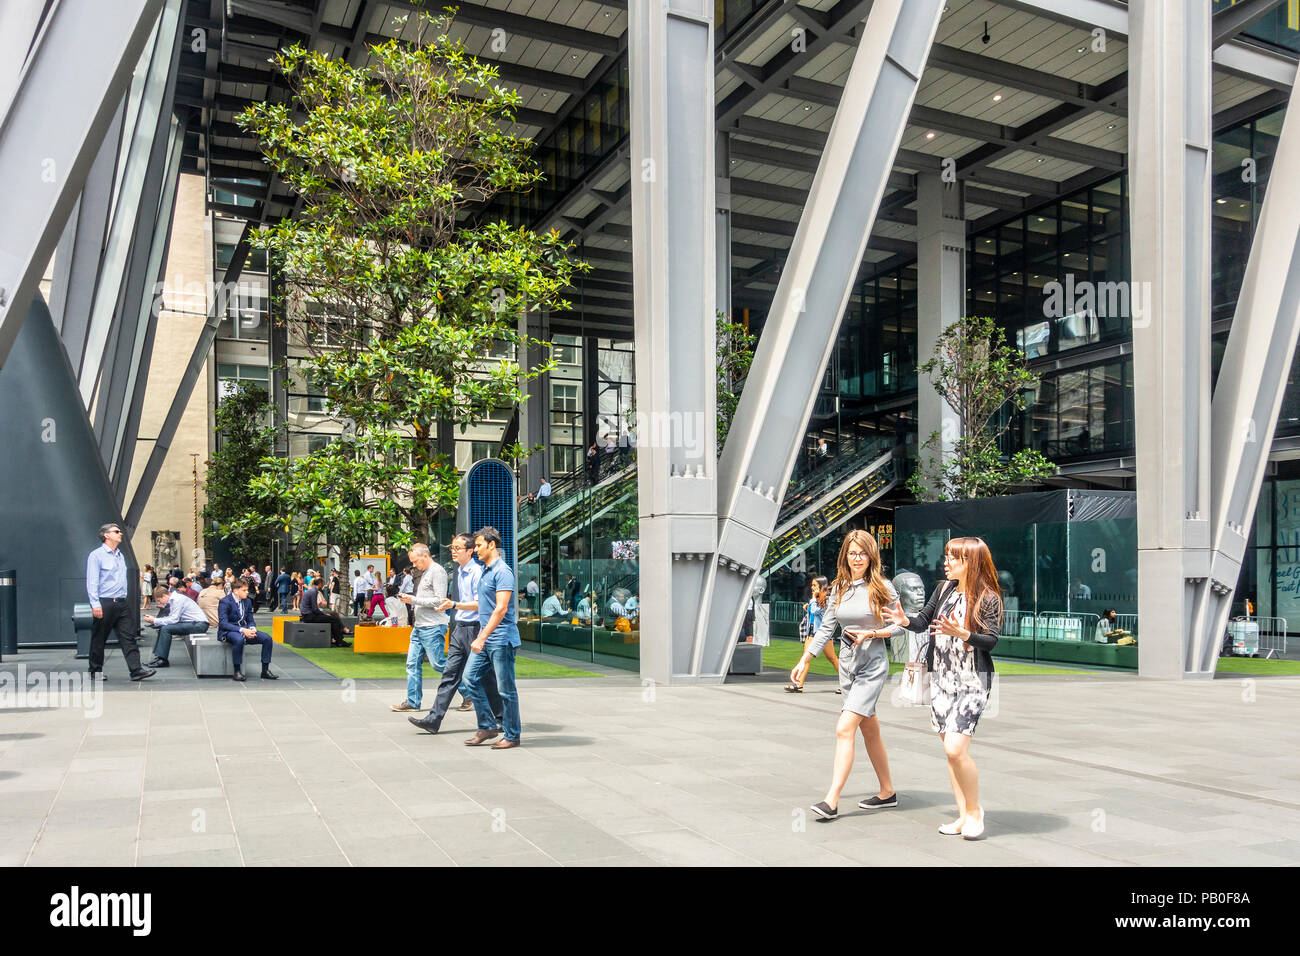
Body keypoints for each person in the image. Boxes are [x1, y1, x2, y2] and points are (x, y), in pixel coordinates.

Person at [883, 536, 1003, 840]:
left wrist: (964, 633)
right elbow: (923, 621)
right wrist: (904, 620)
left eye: (953, 557)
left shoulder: (988, 597)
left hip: (972, 681)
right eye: (946, 556)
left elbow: (990, 641)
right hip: (941, 680)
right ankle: (963, 815)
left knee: (955, 748)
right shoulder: (944, 588)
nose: (946, 562)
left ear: (970, 561)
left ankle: (975, 812)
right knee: (950, 754)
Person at [790, 531, 903, 820]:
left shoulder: (883, 587)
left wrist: (873, 633)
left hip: (873, 665)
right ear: (845, 555)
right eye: (852, 553)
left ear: (871, 556)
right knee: (870, 730)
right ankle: (887, 791)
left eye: (863, 553)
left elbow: (901, 626)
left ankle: (832, 800)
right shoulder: (839, 588)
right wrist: (805, 659)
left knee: (844, 728)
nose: (857, 558)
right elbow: (826, 629)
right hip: (848, 666)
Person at [409, 533, 500, 732]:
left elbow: (481, 605)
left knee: (486, 677)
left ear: (470, 551)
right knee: (449, 676)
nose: (453, 551)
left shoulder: (477, 572)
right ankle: (434, 719)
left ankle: (500, 717)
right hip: (459, 629)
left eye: (458, 548)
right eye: (452, 548)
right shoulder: (459, 572)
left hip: (475, 628)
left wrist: (455, 605)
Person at [450, 528, 521, 748]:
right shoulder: (486, 571)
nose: (476, 549)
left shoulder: (503, 572)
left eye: (479, 545)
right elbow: (483, 605)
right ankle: (488, 726)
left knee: (506, 690)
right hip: (488, 638)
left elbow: (500, 609)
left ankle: (512, 735)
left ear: (491, 545)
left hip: (501, 639)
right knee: (469, 679)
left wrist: (481, 637)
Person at [86, 522, 154, 681]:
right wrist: (95, 603)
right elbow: (92, 581)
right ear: (106, 535)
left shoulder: (120, 555)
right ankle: (95, 671)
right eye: (116, 531)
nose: (120, 533)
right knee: (99, 638)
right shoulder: (96, 555)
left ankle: (136, 670)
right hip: (105, 602)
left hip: (121, 603)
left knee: (128, 636)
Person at [392, 543, 449, 712]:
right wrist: (411, 599)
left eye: (415, 561)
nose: (414, 565)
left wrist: (413, 600)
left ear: (425, 555)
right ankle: (412, 702)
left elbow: (440, 600)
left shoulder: (437, 572)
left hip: (433, 626)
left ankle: (469, 691)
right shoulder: (425, 573)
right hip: (420, 626)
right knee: (411, 664)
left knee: (438, 664)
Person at [217, 577, 278, 681]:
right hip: (228, 631)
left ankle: (265, 670)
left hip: (245, 630)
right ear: (236, 591)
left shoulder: (247, 601)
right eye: (244, 590)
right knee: (239, 639)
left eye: (247, 590)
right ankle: (237, 671)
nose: (247, 592)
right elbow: (223, 624)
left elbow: (250, 619)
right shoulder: (225, 602)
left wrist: (252, 628)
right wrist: (242, 630)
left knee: (267, 638)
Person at [785, 575, 839, 693]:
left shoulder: (828, 599)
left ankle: (848, 683)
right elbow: (813, 612)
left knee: (832, 658)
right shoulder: (816, 599)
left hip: (823, 634)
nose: (812, 588)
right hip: (811, 633)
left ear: (822, 586)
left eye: (815, 585)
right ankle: (799, 684)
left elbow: (816, 611)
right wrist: (808, 607)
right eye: (812, 585)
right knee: (805, 658)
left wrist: (813, 601)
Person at [144, 585, 210, 667]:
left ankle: (162, 660)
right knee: (164, 628)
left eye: (159, 600)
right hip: (195, 623)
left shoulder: (177, 600)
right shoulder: (175, 599)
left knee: (166, 629)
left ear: (164, 596)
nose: (159, 602)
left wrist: (155, 620)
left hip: (199, 625)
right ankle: (160, 657)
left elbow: (173, 619)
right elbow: (173, 618)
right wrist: (156, 621)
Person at [300, 574, 348, 647]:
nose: (324, 585)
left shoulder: (312, 590)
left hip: (308, 615)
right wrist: (324, 614)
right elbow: (315, 609)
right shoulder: (314, 591)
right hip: (308, 616)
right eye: (322, 583)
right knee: (333, 619)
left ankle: (337, 639)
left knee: (332, 617)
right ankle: (339, 641)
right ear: (319, 584)